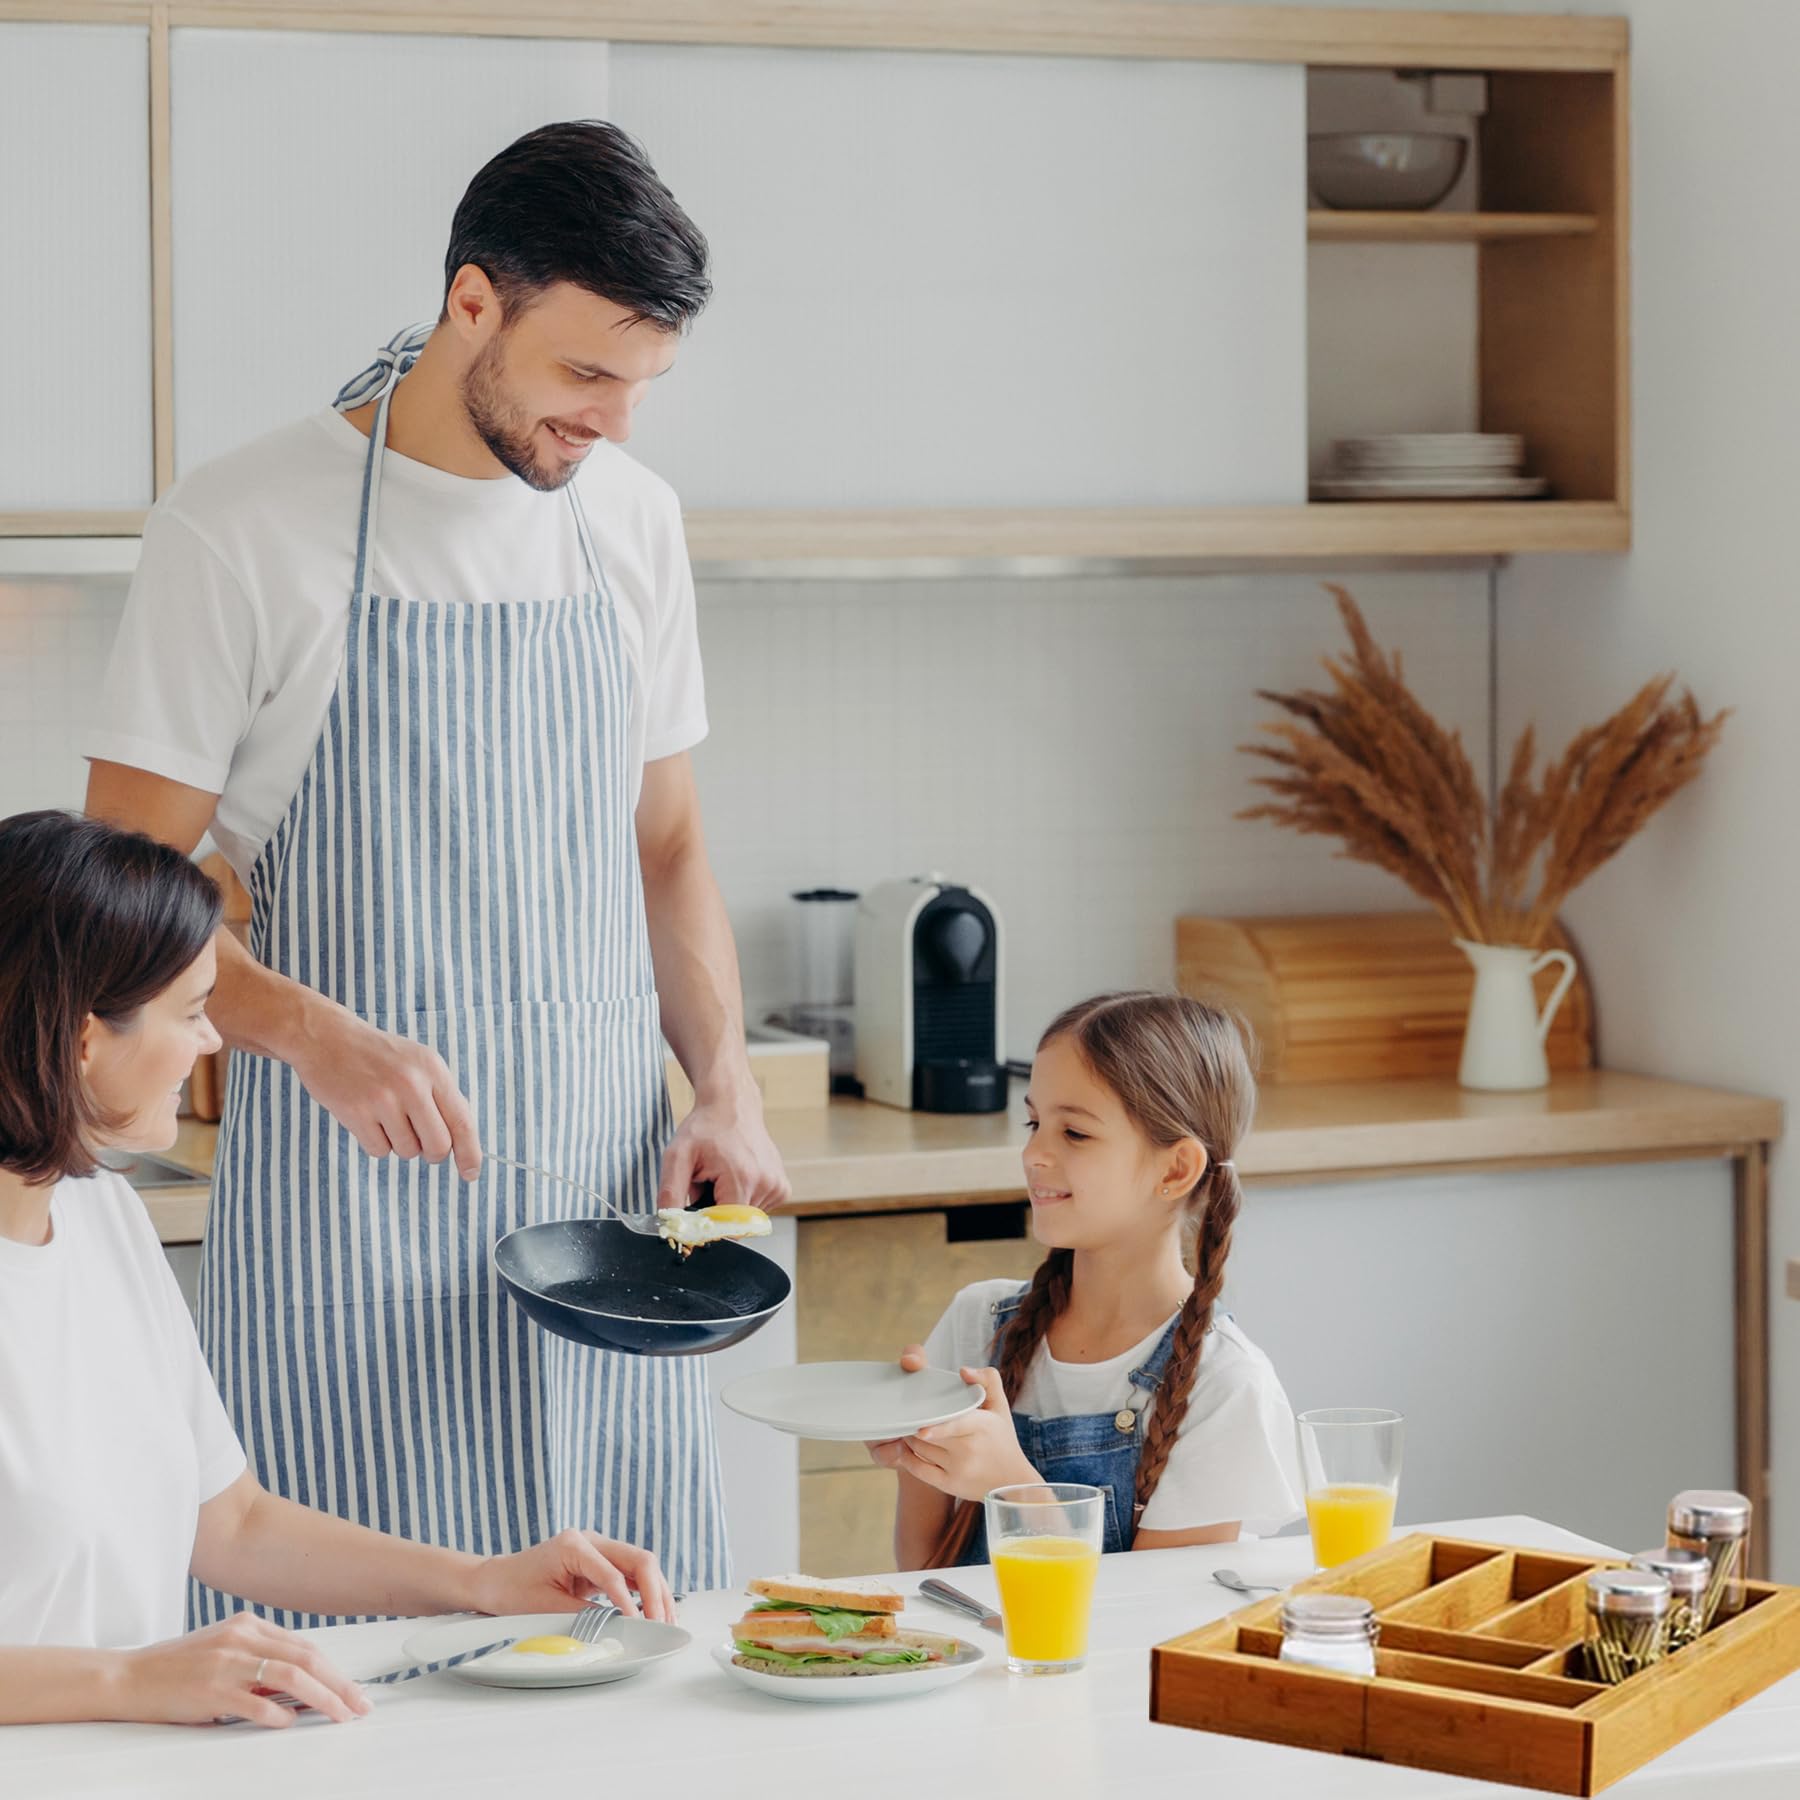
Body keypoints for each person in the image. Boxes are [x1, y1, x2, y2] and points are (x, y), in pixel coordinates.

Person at [81, 121, 787, 1610]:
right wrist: (310, 1033)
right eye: (585, 374)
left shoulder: (633, 528)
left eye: (644, 384)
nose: (613, 423)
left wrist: (722, 1075)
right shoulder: (243, 524)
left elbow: (667, 849)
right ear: (473, 305)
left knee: (628, 1655)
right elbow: (122, 888)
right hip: (353, 1222)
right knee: (355, 1690)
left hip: (603, 1234)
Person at [0, 812, 675, 1728]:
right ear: (83, 1039)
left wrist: (481, 1582)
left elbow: (229, 1523)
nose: (212, 1045)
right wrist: (125, 1683)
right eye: (193, 1013)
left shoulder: (103, 1216)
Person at [873, 992, 1302, 1566]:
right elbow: (923, 1575)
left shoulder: (1225, 1384)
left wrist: (1018, 1492)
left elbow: (1152, 1621)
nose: (1033, 1154)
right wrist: (916, 1455)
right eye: (1033, 1122)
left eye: (1074, 1133)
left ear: (1175, 1169)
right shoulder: (978, 1320)